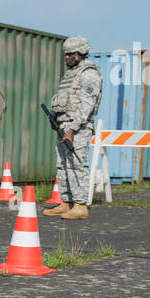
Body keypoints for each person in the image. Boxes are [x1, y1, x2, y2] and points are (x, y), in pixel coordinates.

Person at [43, 35, 103, 220]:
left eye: (70, 54)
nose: (66, 58)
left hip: (78, 129)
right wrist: (57, 120)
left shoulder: (89, 74)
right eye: (66, 54)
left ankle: (80, 205)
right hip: (64, 126)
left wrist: (73, 129)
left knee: (77, 164)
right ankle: (67, 202)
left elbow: (86, 105)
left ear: (79, 54)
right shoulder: (70, 75)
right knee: (62, 165)